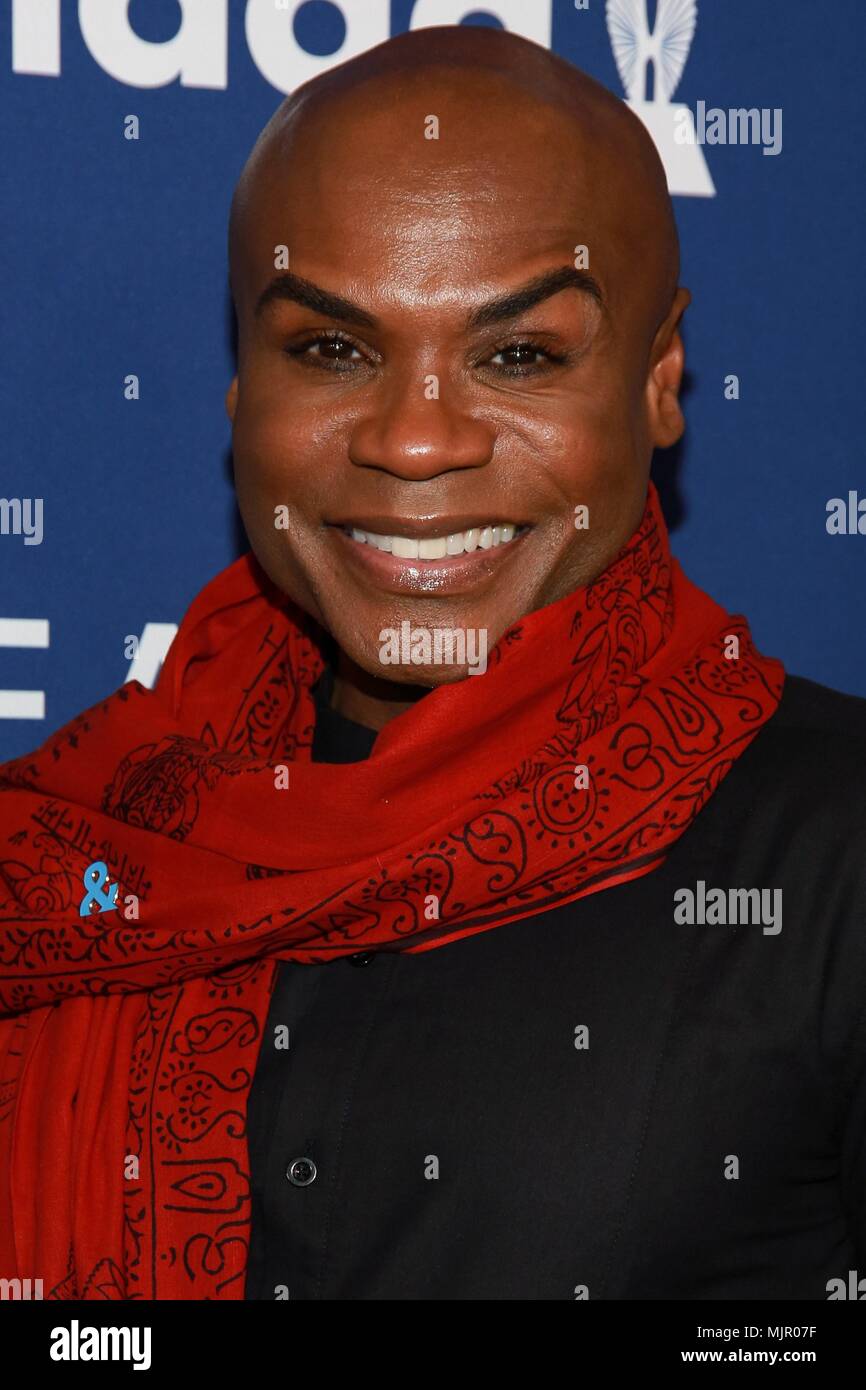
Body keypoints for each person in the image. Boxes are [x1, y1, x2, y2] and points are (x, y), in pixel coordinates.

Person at [1, 24, 864, 1303]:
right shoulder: (78, 854)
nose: (414, 442)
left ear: (657, 378)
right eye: (331, 349)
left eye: (517, 355)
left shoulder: (835, 847)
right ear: (240, 393)